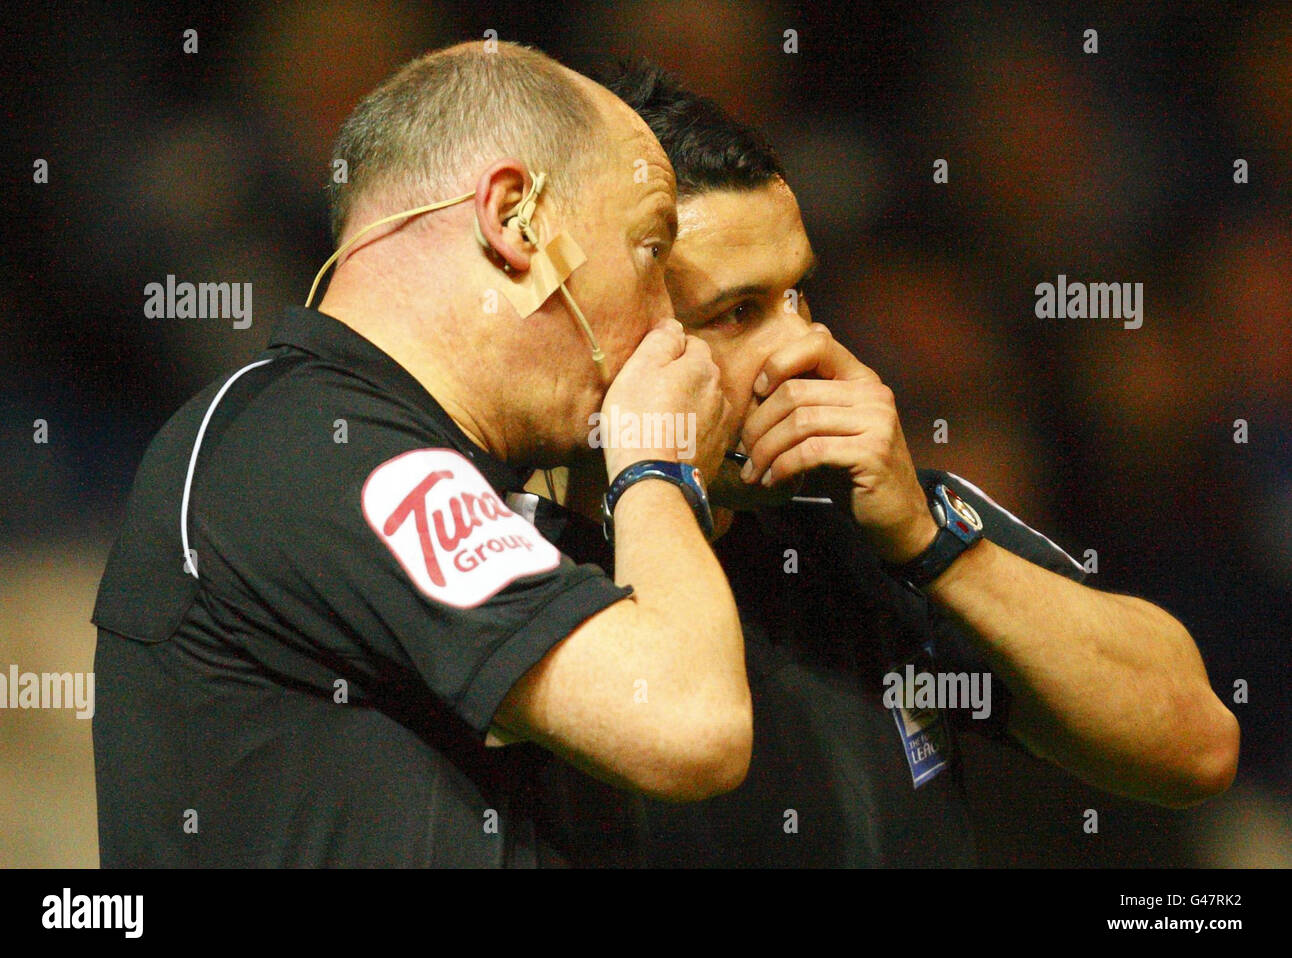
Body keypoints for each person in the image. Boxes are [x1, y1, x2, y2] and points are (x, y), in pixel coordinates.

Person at [523, 62, 1241, 866]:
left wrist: (927, 543)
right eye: (737, 312)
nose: (804, 347)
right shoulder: (503, 555)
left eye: (801, 295)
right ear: (606, 328)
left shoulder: (869, 523)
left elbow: (1197, 743)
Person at [89, 42, 754, 867]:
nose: (670, 326)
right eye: (652, 252)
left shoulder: (374, 449)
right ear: (516, 221)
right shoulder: (330, 451)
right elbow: (691, 723)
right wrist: (658, 464)